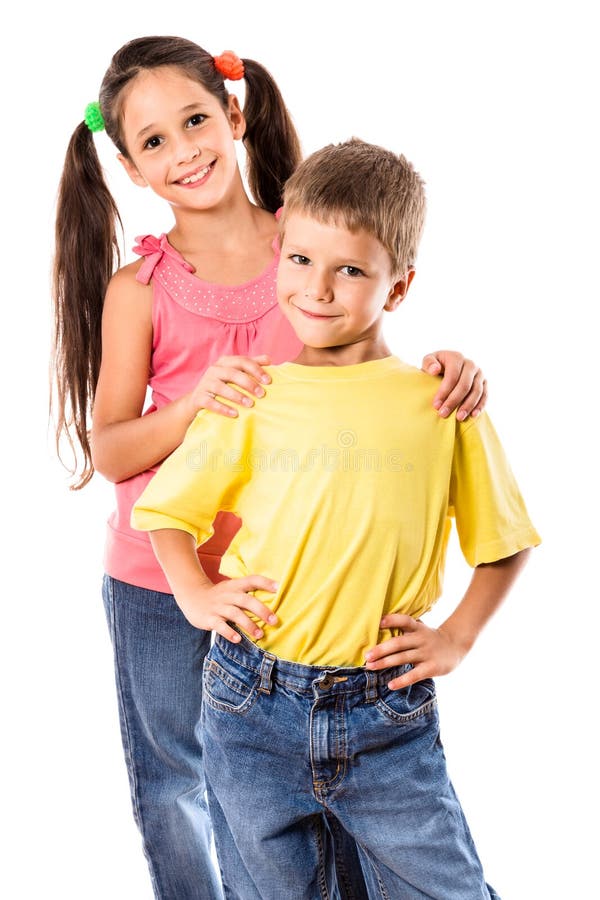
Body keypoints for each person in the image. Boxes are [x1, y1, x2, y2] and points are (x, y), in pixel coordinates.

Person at [52, 36, 489, 900]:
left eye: (195, 121)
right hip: (158, 578)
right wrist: (194, 405)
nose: (184, 151)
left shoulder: (306, 243)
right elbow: (110, 449)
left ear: (234, 115)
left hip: (289, 582)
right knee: (176, 782)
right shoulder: (140, 289)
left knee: (316, 790)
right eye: (153, 141)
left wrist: (446, 368)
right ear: (131, 169)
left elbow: (368, 357)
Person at [132, 137, 541, 900]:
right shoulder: (253, 395)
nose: (317, 289)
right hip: (250, 705)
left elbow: (504, 542)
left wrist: (457, 636)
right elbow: (169, 512)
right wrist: (194, 592)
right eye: (299, 260)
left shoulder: (440, 404)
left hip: (386, 715)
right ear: (279, 256)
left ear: (399, 286)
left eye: (350, 270)